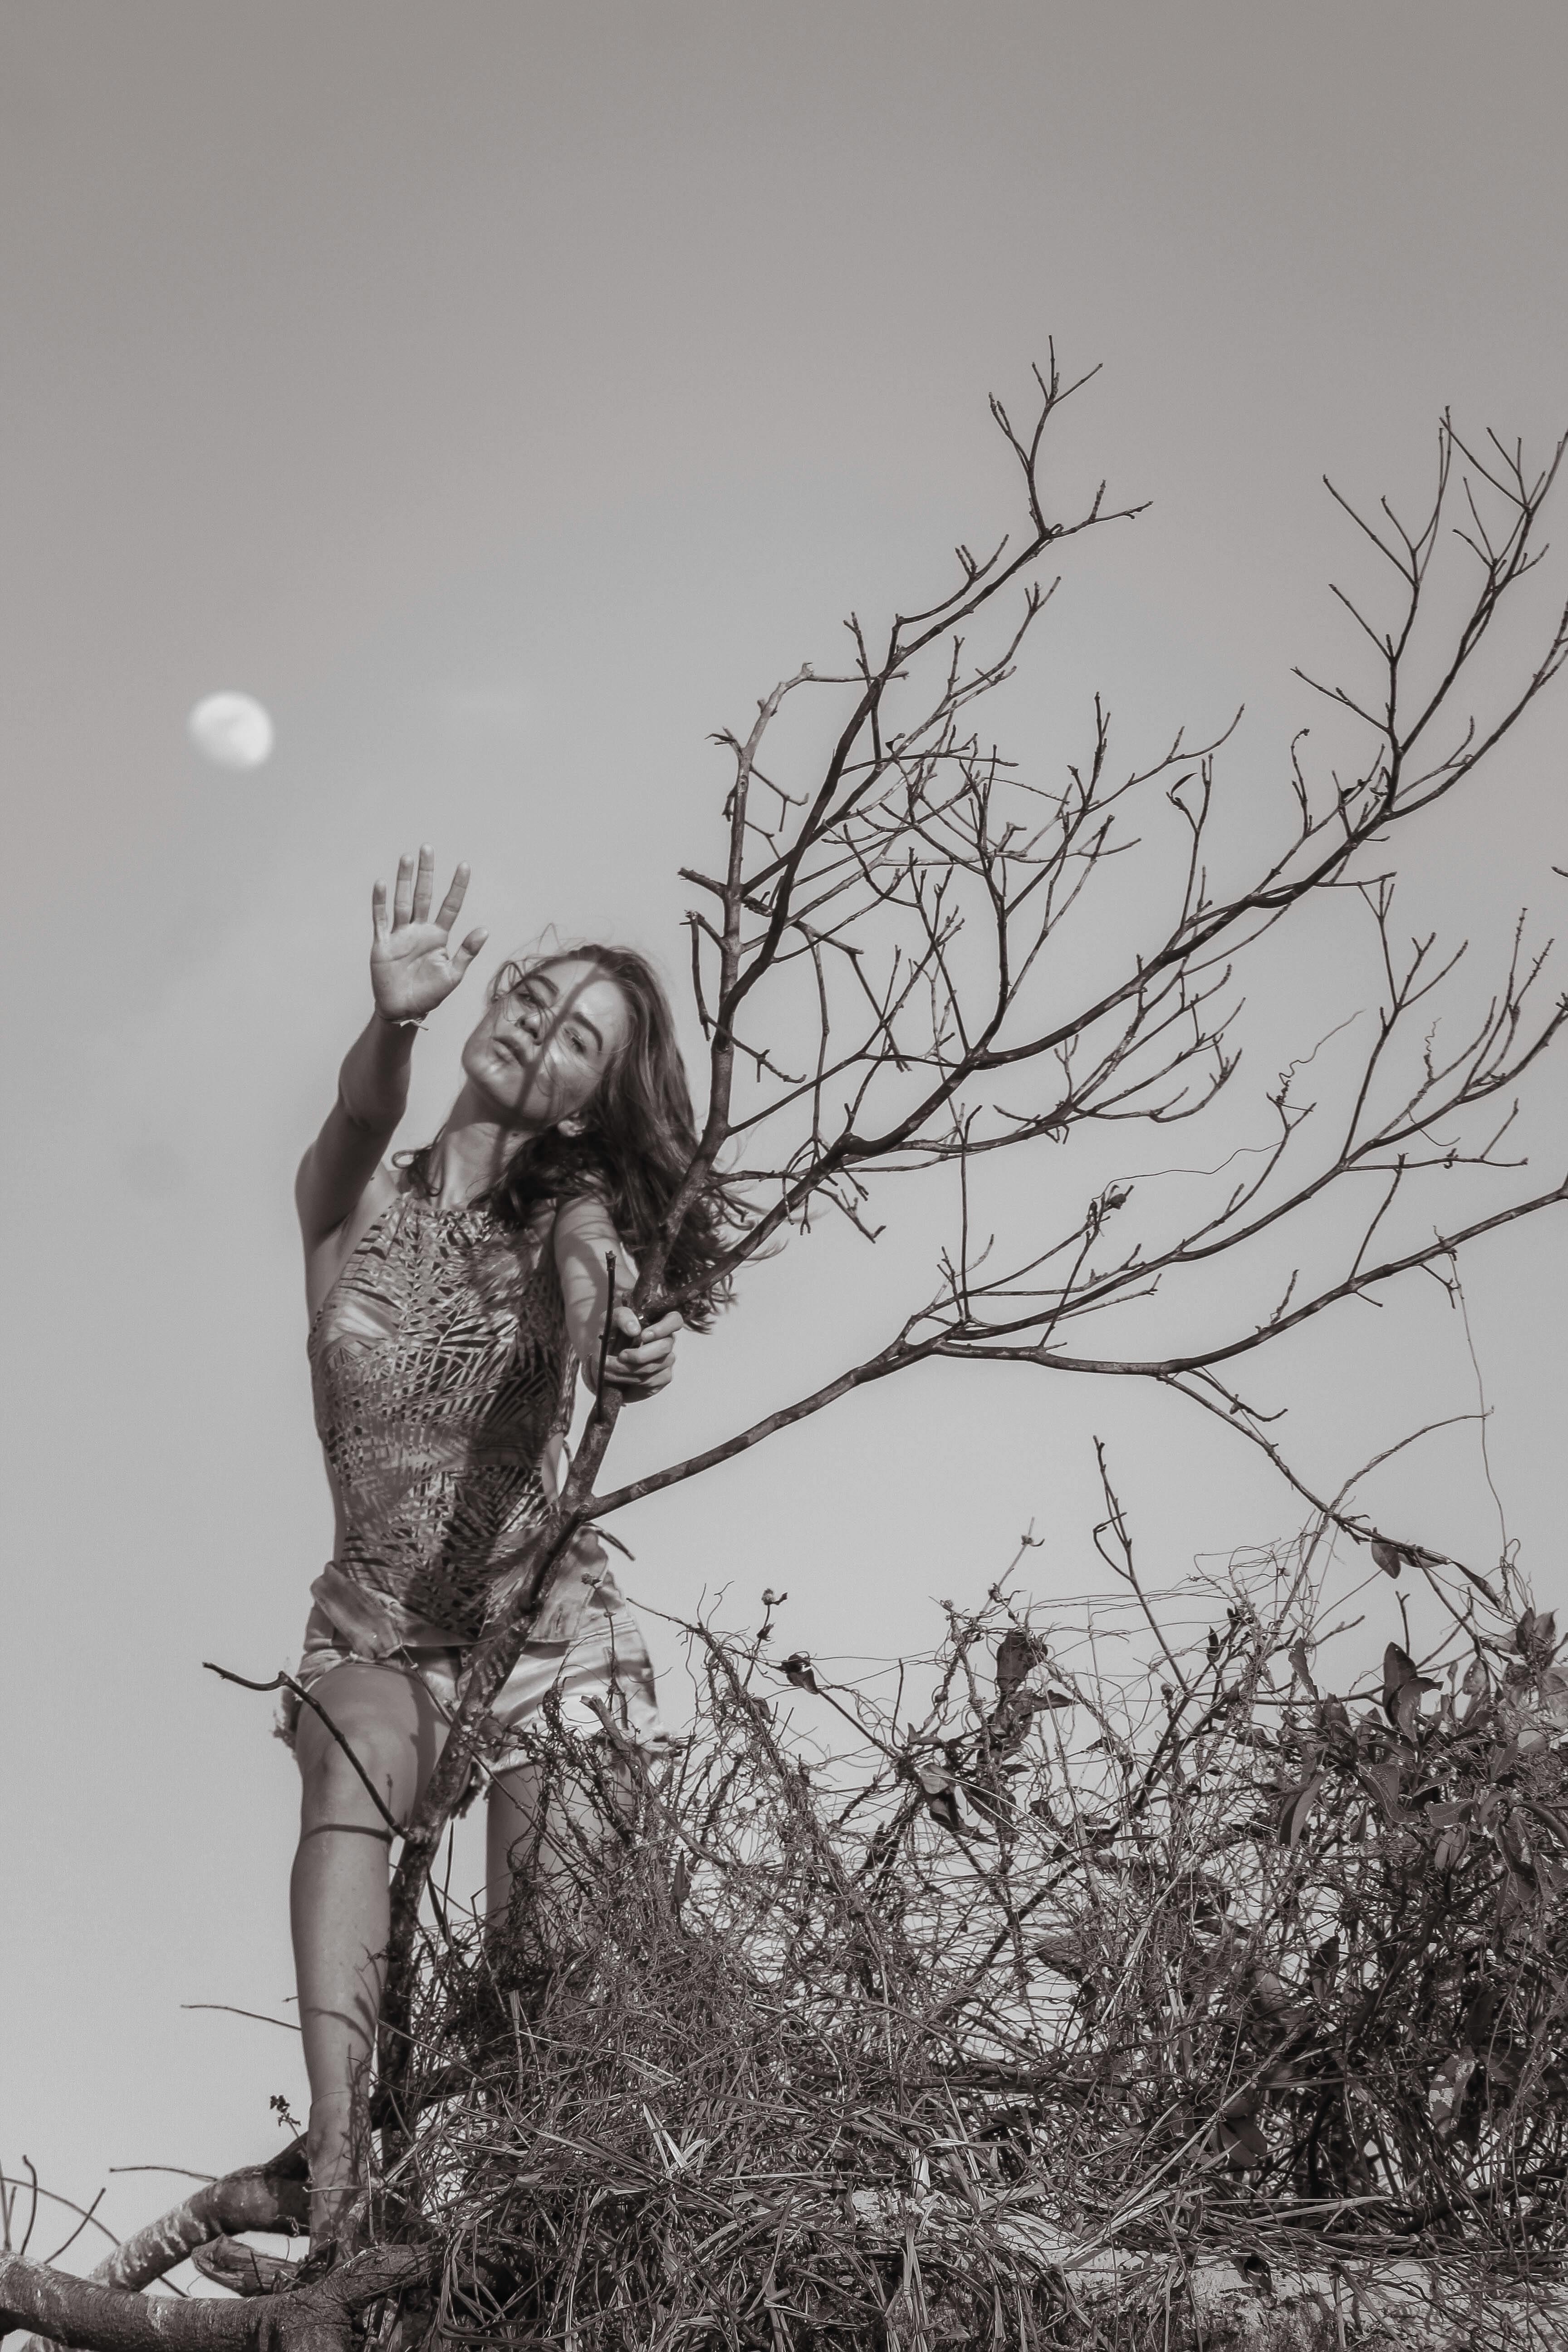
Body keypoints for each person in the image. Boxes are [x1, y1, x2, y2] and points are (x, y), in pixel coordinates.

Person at [284, 844, 730, 2248]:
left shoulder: (565, 1214)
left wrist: (628, 1344)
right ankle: (348, 2165)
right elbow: (360, 1117)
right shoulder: (356, 1199)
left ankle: (544, 2240)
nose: (538, 1020)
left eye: (578, 1035)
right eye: (539, 993)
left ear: (593, 1100)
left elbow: (598, 1290)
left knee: (549, 1982)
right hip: (381, 1626)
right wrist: (396, 1020)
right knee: (348, 1758)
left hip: (544, 1639)